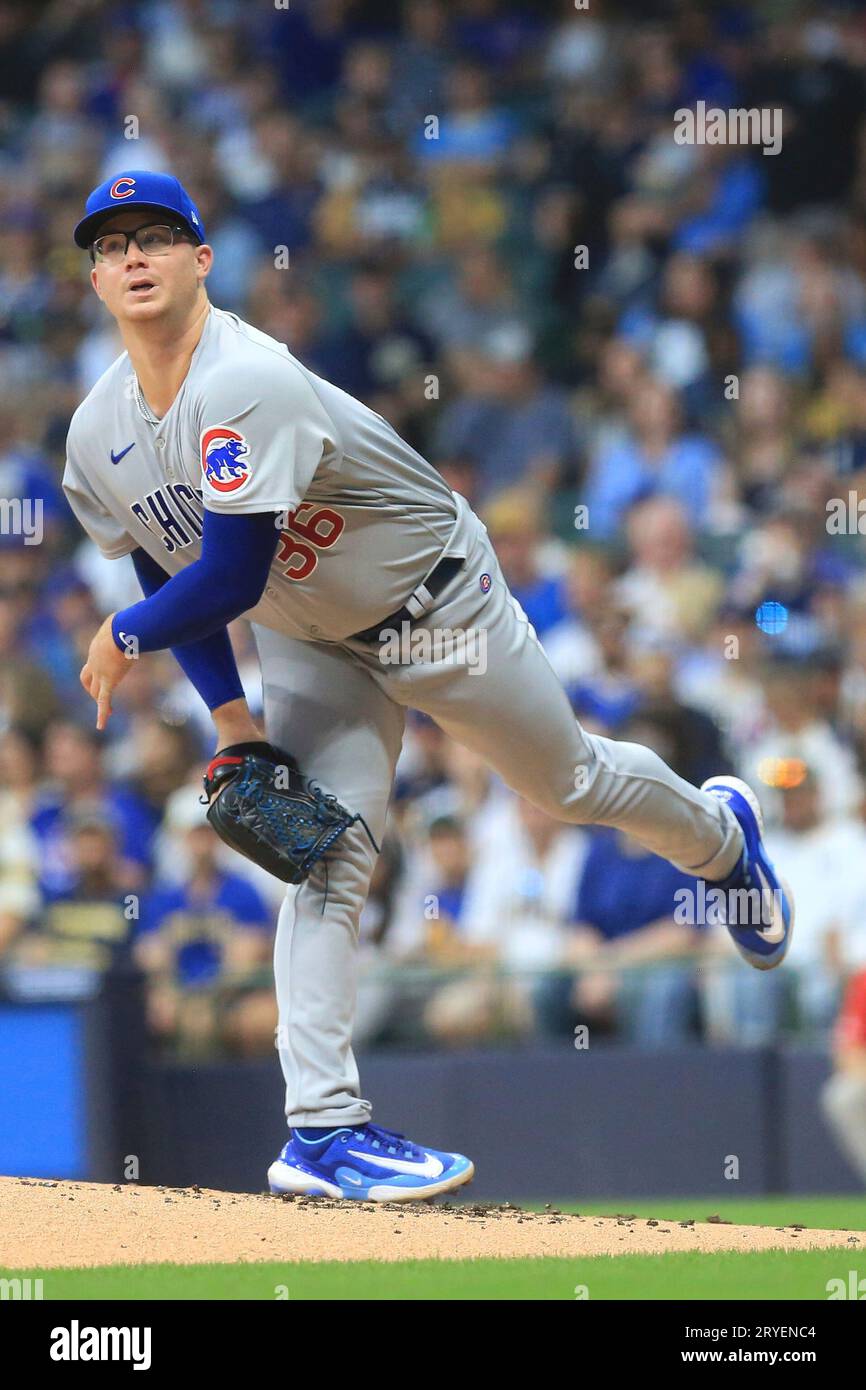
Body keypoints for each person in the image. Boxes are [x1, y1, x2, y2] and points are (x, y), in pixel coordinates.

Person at [65, 169, 794, 1204]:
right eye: (109, 245)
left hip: (436, 606)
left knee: (568, 784)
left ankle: (721, 841)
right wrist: (232, 719)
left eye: (153, 237)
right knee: (322, 848)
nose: (132, 258)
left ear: (200, 257)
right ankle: (322, 1129)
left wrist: (127, 635)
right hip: (309, 637)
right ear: (93, 278)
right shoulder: (97, 431)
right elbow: (157, 553)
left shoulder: (244, 377)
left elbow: (217, 577)